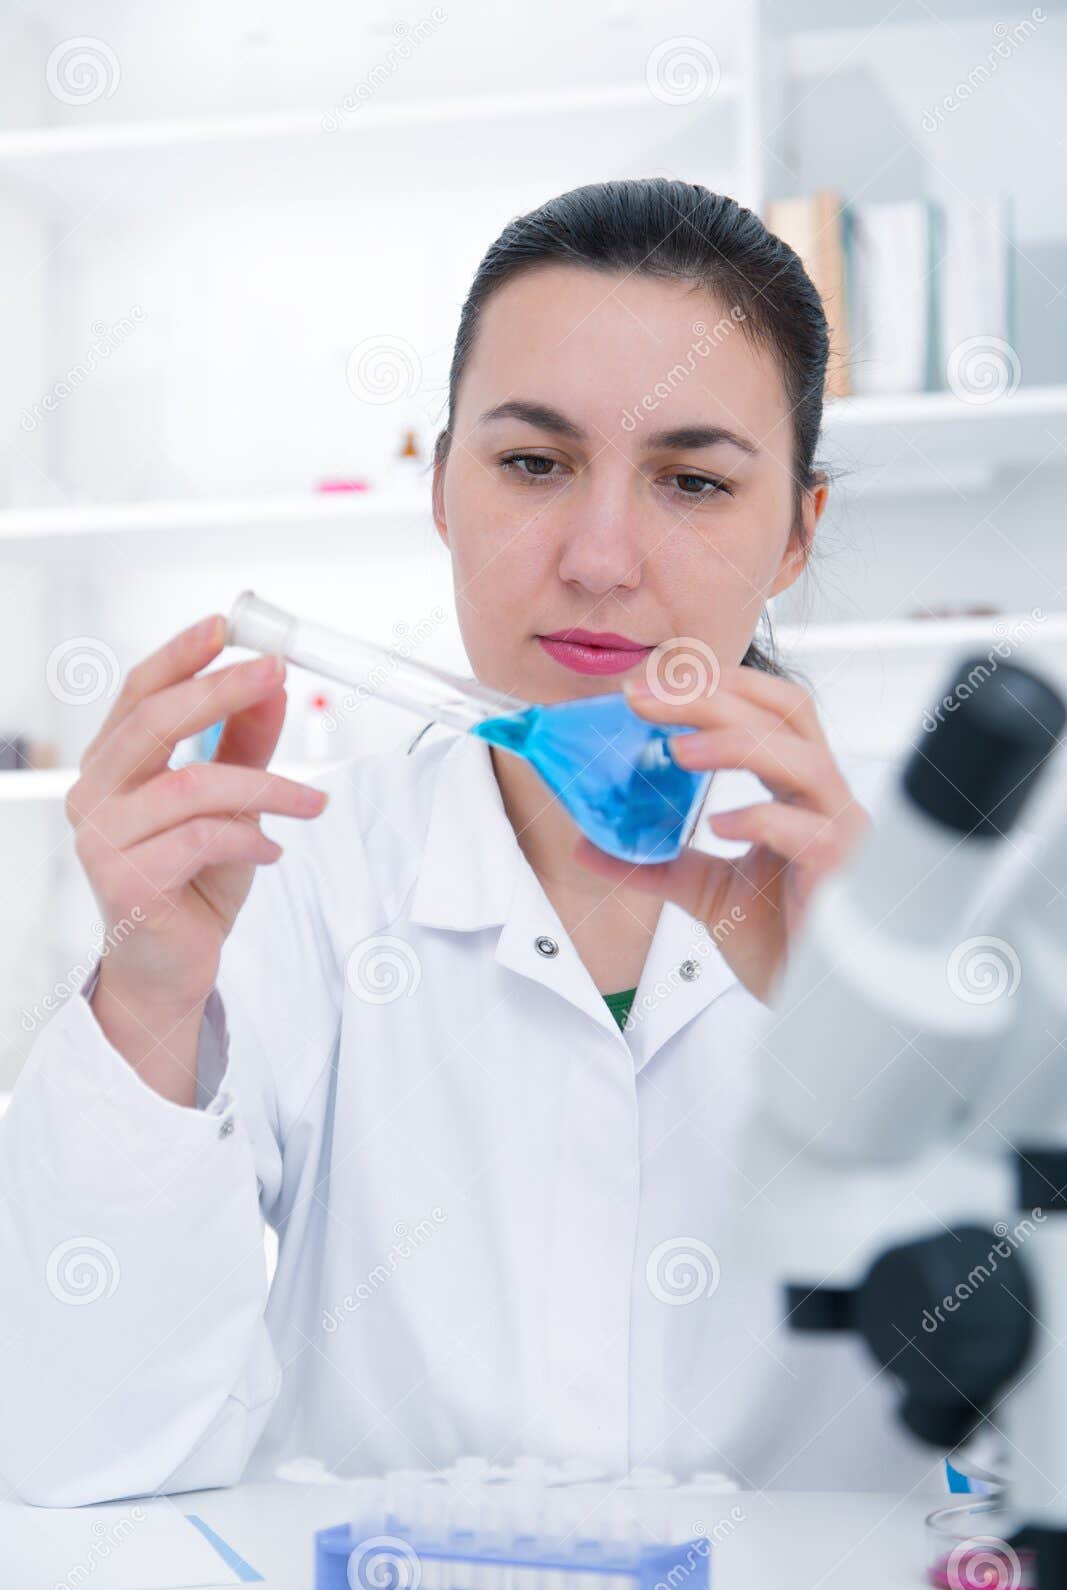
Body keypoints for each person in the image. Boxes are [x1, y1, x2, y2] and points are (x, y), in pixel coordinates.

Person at [0, 180, 937, 1509]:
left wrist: (887, 1049)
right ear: (442, 488)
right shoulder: (302, 882)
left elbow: (1023, 1440)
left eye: (694, 480)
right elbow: (78, 1443)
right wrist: (148, 998)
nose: (601, 556)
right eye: (535, 464)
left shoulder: (932, 913)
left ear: (795, 533)